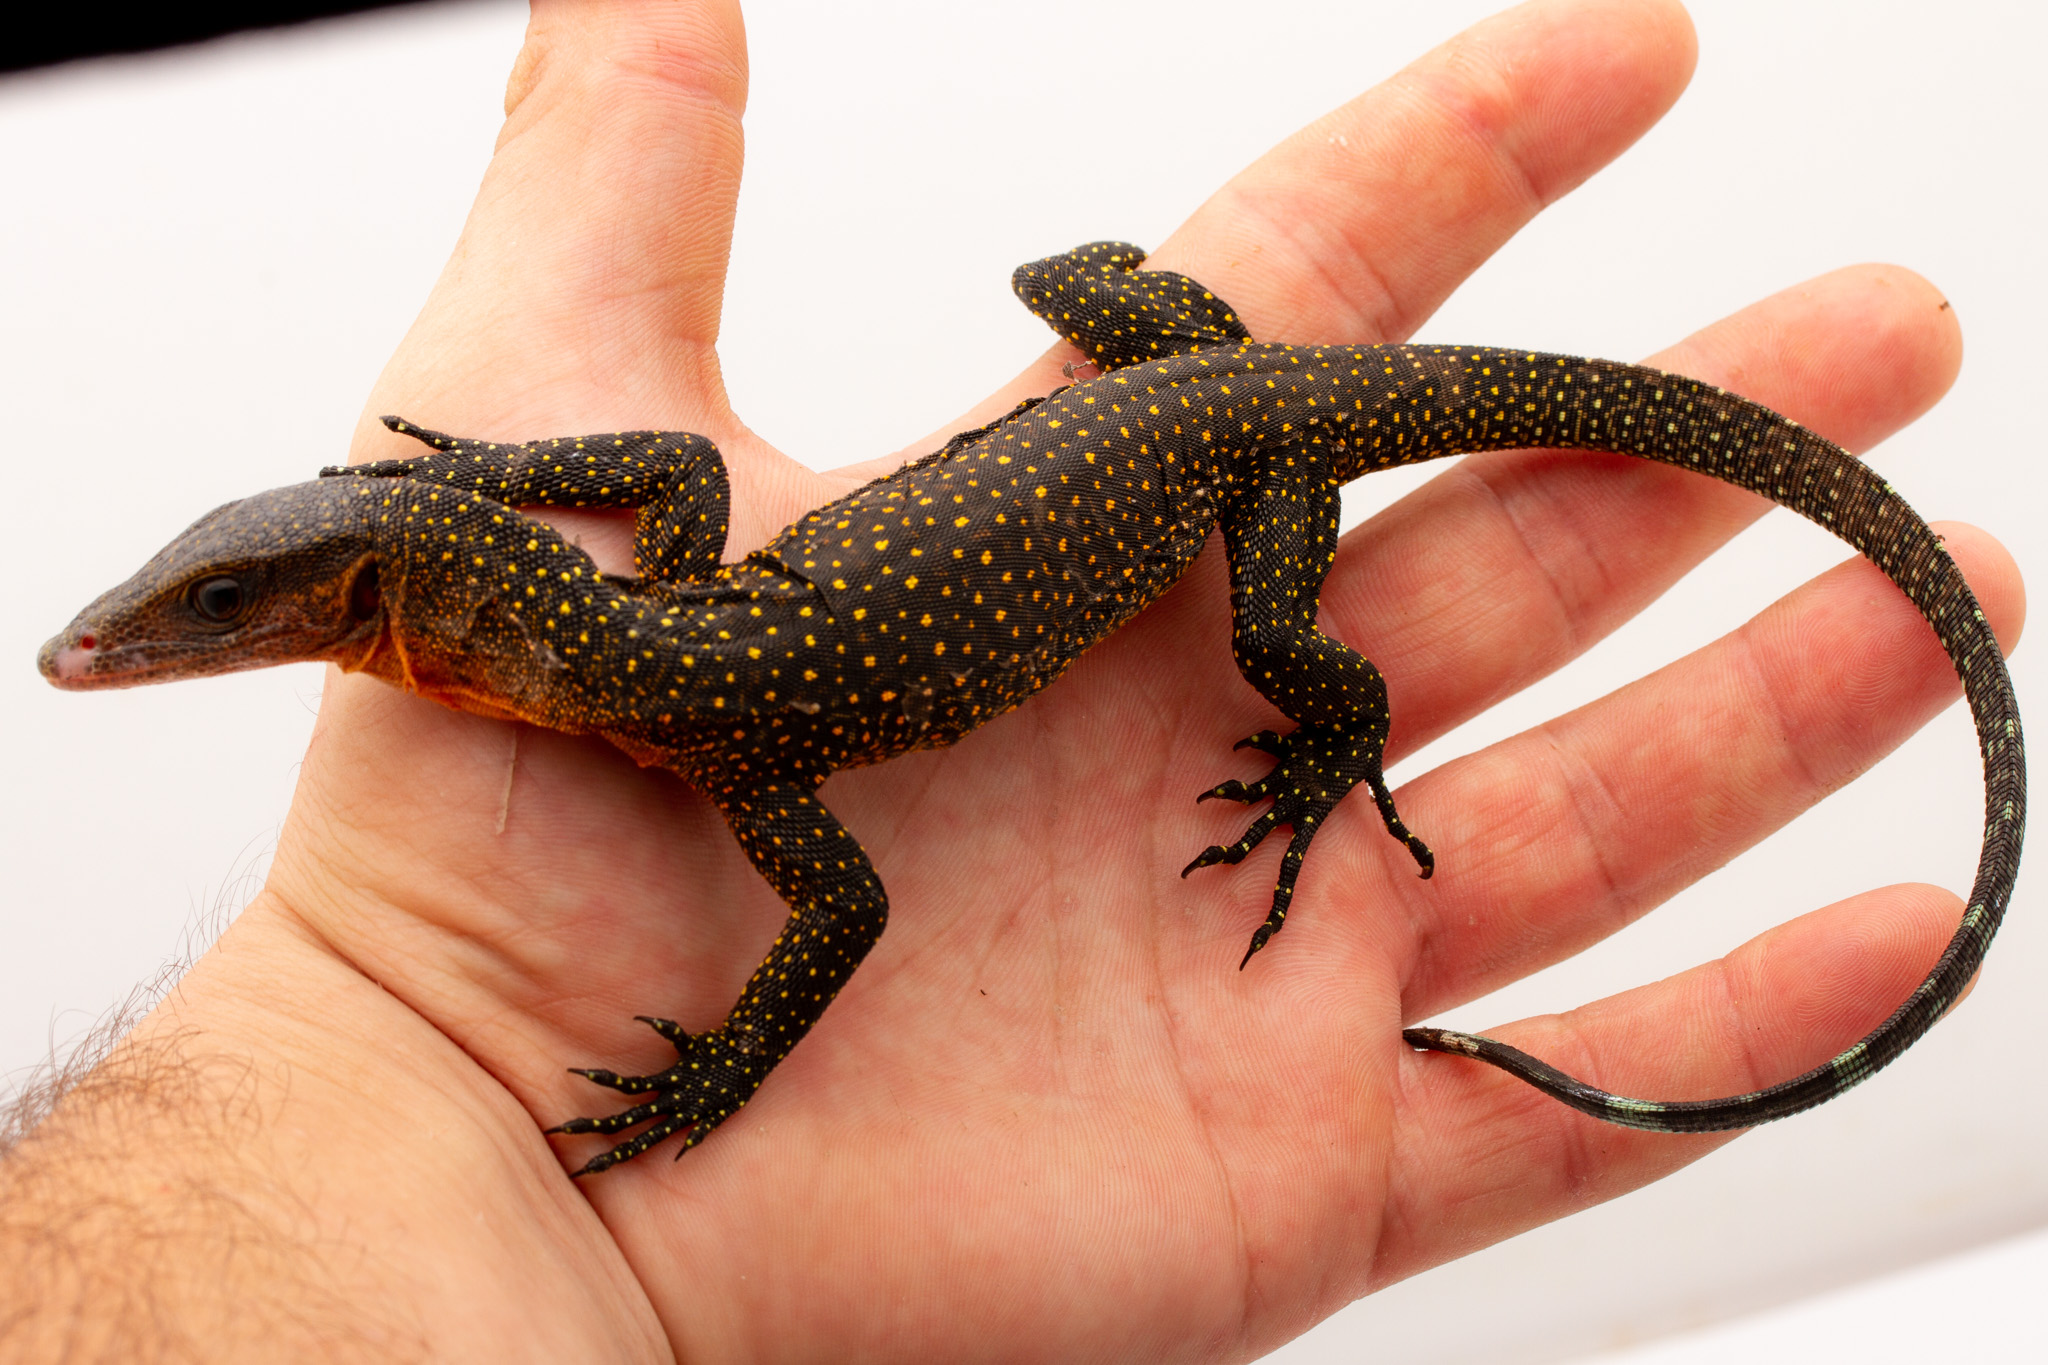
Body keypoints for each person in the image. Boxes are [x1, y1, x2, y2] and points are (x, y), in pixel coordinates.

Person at [1, 0, 2016, 1358]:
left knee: (1283, 654)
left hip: (1239, 439)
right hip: (1181, 386)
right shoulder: (686, 676)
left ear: (380, 604)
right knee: (1071, 290)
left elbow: (847, 896)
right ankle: (1177, 348)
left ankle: (1327, 713)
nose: (136, 642)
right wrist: (504, 485)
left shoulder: (717, 725)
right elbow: (684, 491)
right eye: (210, 606)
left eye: (220, 607)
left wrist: (716, 1079)